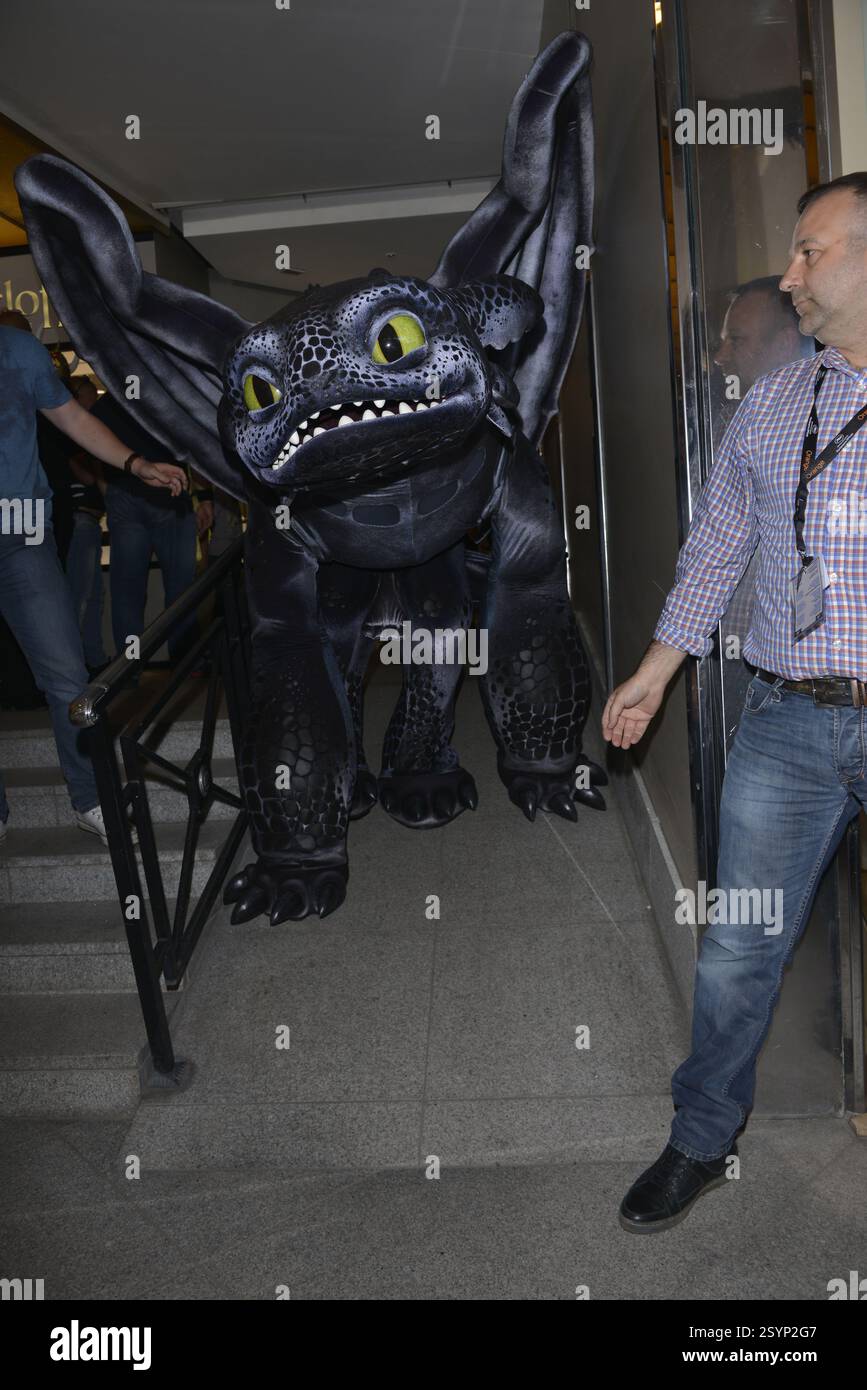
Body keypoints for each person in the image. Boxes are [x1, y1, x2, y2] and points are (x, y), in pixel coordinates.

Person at [603, 171, 867, 1233]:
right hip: (787, 722)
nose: (789, 273)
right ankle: (701, 1137)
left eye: (811, 251)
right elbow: (717, 549)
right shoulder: (774, 403)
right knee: (738, 948)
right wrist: (656, 669)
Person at [0, 323, 187, 845]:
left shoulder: (17, 350)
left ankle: (90, 799)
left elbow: (73, 418)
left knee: (66, 676)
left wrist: (134, 463)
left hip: (22, 536)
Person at [90, 394, 203, 666]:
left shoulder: (107, 403)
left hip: (128, 493)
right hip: (168, 491)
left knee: (128, 592)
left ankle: (129, 668)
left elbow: (92, 447)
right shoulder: (163, 392)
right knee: (180, 590)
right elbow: (194, 445)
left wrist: (107, 491)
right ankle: (185, 663)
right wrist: (205, 495)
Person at [64, 378, 108, 674]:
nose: (94, 403)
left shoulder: (80, 432)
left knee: (91, 597)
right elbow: (89, 477)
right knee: (81, 596)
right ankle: (80, 664)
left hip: (88, 521)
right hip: (80, 520)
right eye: (90, 396)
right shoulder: (71, 433)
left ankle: (93, 661)